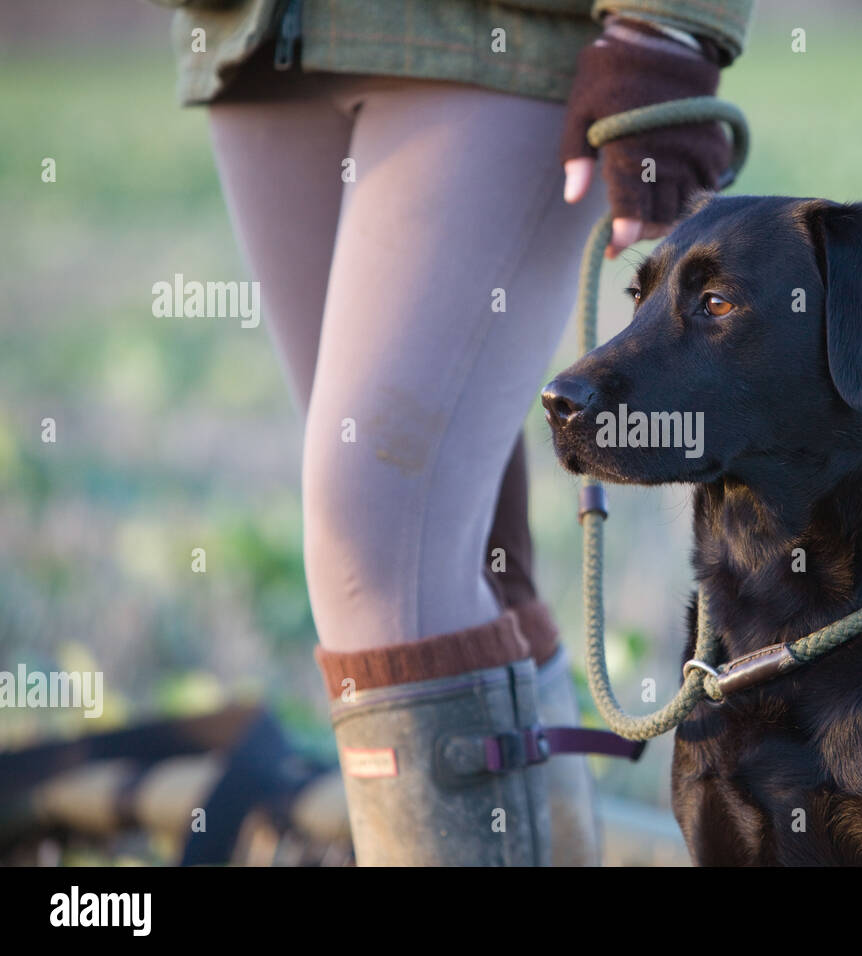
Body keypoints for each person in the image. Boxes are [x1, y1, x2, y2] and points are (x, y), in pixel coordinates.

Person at [151, 0, 754, 865]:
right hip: (261, 36)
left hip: (496, 39)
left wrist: (667, 30)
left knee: (377, 536)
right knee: (464, 542)